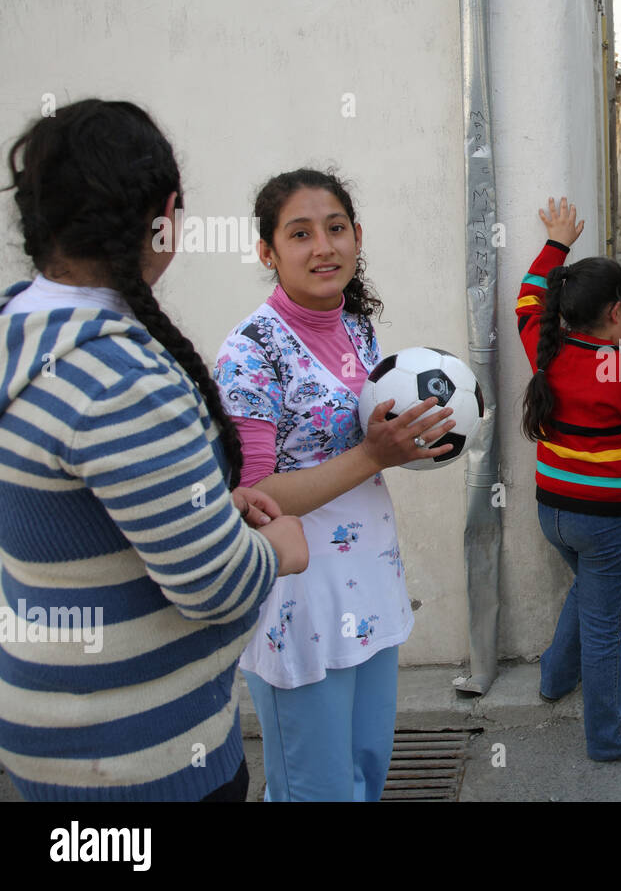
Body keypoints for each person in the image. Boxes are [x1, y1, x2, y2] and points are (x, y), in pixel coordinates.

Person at [0, 99, 308, 801]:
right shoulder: (120, 379)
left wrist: (202, 508)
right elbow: (212, 587)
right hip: (143, 757)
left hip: (50, 735)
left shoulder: (23, 332)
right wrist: (278, 550)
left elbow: (76, 516)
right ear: (164, 216)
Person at [213, 169, 457, 801]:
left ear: (356, 237)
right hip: (300, 601)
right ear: (267, 251)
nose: (323, 246)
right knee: (316, 791)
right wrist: (375, 456)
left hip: (371, 585)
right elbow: (253, 498)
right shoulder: (250, 352)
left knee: (365, 772)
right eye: (300, 233)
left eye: (336, 228)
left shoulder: (356, 328)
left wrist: (406, 445)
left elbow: (358, 450)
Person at [518, 197, 621, 761]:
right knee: (606, 627)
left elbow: (528, 296)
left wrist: (557, 242)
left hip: (552, 512)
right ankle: (612, 736)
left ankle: (553, 678)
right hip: (607, 523)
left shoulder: (545, 345)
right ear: (617, 312)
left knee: (587, 593)